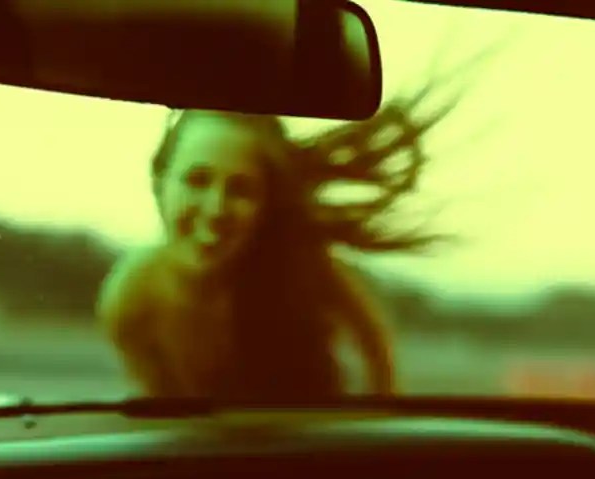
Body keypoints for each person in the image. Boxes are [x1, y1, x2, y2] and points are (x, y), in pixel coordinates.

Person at [97, 89, 455, 402]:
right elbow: (162, 406)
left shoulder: (297, 262)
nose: (216, 209)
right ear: (159, 182)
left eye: (241, 189)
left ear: (266, 204)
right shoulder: (130, 297)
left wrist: (381, 418)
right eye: (197, 179)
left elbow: (373, 340)